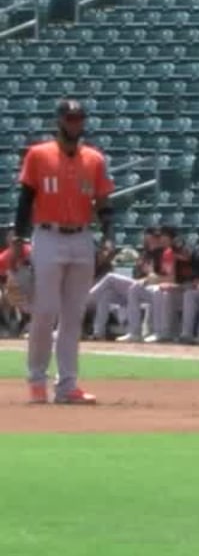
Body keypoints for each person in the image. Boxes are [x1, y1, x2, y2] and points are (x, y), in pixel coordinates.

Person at [13, 98, 115, 405]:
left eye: (79, 118)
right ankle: (36, 379)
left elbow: (103, 203)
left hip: (81, 236)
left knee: (73, 314)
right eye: (70, 118)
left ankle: (67, 384)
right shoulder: (39, 154)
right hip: (48, 235)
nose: (75, 123)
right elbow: (25, 198)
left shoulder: (94, 159)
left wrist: (109, 236)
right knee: (45, 311)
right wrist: (18, 236)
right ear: (60, 120)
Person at [89, 225, 157, 340]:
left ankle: (88, 299)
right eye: (145, 237)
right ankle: (98, 332)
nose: (146, 240)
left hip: (149, 288)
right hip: (137, 289)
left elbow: (156, 274)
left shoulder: (158, 253)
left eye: (149, 238)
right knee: (106, 294)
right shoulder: (145, 253)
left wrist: (149, 272)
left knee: (110, 278)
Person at [0, 226, 32, 337]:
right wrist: (6, 292)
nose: (13, 240)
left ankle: (28, 324)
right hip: (11, 291)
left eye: (16, 237)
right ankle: (5, 326)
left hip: (32, 291)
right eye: (11, 237)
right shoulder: (3, 258)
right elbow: (2, 282)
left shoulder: (32, 252)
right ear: (7, 240)